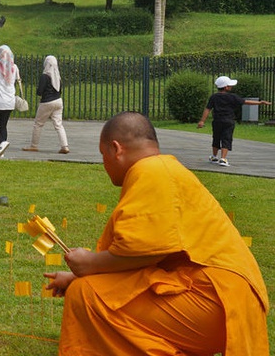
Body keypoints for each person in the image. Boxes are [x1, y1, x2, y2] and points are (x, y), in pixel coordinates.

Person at [45, 111, 269, 355]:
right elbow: (150, 252)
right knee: (87, 287)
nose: (104, 164)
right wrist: (78, 274)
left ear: (116, 149)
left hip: (214, 301)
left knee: (85, 293)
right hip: (225, 299)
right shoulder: (164, 168)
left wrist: (90, 264)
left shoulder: (151, 171)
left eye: (103, 154)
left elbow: (145, 253)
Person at [197, 76, 271, 167]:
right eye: (230, 85)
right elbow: (246, 102)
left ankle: (214, 156)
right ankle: (223, 159)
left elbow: (208, 109)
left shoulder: (214, 97)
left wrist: (202, 121)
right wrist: (260, 103)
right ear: (226, 87)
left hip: (217, 121)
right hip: (229, 121)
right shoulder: (232, 97)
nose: (231, 87)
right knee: (226, 138)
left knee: (216, 138)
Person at [22, 55, 70, 154]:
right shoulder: (58, 77)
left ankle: (34, 146)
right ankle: (65, 146)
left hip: (47, 102)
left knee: (38, 124)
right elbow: (59, 90)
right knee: (59, 125)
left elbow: (39, 92)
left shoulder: (45, 76)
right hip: (58, 101)